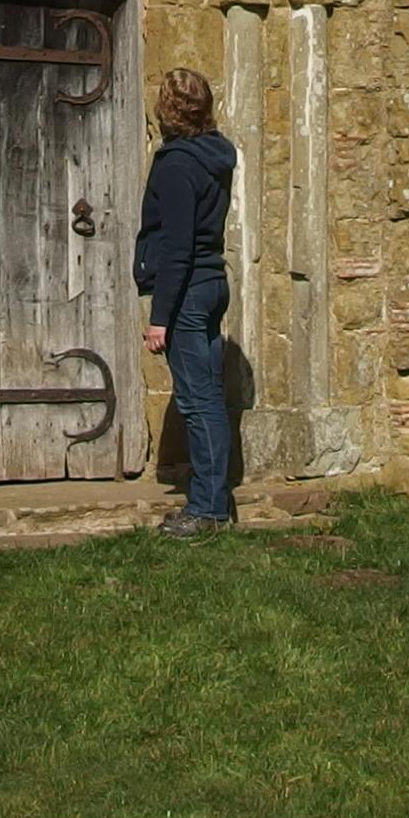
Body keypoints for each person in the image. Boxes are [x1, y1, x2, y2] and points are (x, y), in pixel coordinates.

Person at [135, 67, 239, 535]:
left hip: (190, 291)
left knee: (199, 403)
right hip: (211, 282)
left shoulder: (177, 164)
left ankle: (208, 510)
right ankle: (212, 501)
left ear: (166, 110)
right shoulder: (214, 154)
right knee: (207, 398)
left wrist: (161, 317)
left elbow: (177, 246)